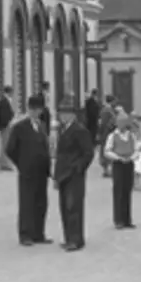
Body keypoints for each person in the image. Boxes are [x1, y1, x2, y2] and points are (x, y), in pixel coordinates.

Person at [4, 94, 53, 246]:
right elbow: (10, 149)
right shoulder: (19, 127)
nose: (36, 113)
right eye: (34, 110)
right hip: (27, 171)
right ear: (29, 110)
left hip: (41, 171)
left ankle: (39, 233)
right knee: (27, 202)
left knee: (41, 202)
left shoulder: (42, 126)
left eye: (38, 110)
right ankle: (25, 234)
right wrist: (21, 163)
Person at [53, 96, 94, 252]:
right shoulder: (63, 130)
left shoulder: (80, 130)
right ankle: (68, 237)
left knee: (73, 206)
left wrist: (78, 168)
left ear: (73, 115)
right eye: (60, 113)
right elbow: (60, 155)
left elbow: (88, 153)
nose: (62, 116)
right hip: (63, 174)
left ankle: (76, 240)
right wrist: (56, 176)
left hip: (74, 175)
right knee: (64, 207)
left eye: (65, 113)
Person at [103, 113, 137, 229]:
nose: (123, 124)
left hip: (129, 163)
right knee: (118, 191)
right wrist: (118, 157)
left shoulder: (131, 135)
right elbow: (107, 151)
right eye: (120, 121)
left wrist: (132, 157)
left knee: (127, 190)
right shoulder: (112, 136)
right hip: (118, 164)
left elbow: (136, 149)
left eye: (124, 121)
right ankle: (118, 219)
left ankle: (127, 219)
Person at [0, 86, 16, 171]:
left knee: (5, 144)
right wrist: (8, 122)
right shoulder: (4, 101)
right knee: (6, 145)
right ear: (9, 92)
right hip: (5, 126)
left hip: (6, 125)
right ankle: (5, 164)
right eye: (12, 93)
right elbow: (4, 115)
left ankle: (4, 163)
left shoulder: (5, 101)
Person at [97, 95, 117, 177]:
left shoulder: (108, 110)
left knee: (107, 149)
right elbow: (103, 123)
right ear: (111, 101)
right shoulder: (106, 110)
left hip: (108, 133)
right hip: (106, 133)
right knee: (106, 150)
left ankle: (108, 169)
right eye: (114, 101)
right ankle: (106, 170)